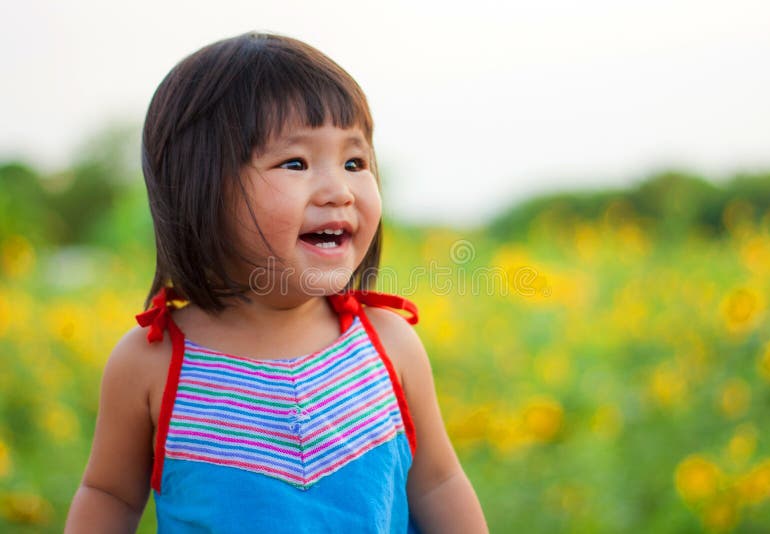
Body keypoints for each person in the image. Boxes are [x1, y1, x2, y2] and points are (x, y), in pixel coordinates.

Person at [65, 31, 487, 533]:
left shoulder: (388, 343)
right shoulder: (152, 362)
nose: (339, 190)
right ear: (200, 187)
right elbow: (108, 495)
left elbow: (438, 483)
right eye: (295, 163)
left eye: (355, 162)